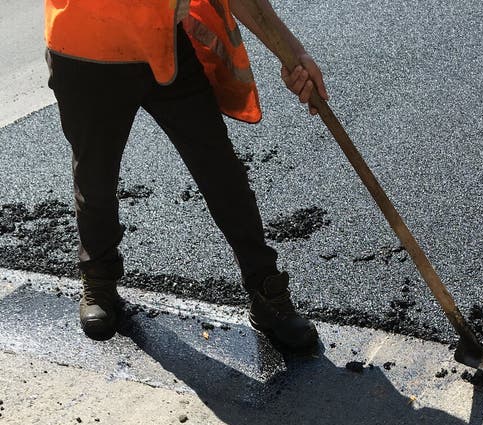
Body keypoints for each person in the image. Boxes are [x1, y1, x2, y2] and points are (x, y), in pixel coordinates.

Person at [44, 0, 329, 349]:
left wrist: (293, 55)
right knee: (95, 175)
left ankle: (266, 289)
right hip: (85, 51)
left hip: (164, 45)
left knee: (220, 169)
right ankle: (98, 280)